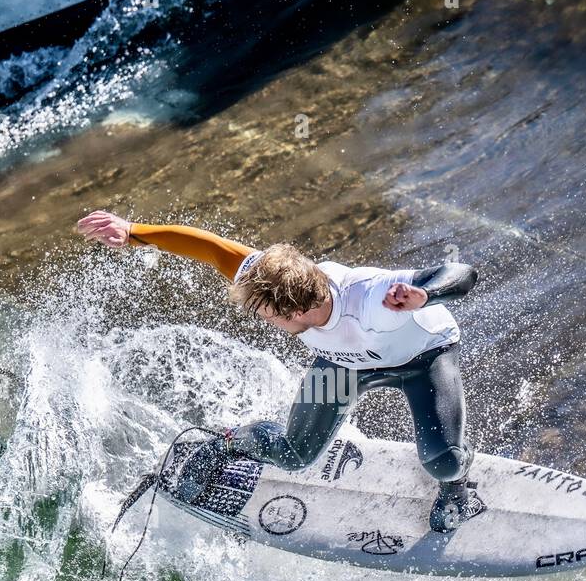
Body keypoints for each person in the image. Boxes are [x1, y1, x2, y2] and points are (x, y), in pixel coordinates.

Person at [76, 210, 479, 534]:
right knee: (293, 454)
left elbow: (462, 273)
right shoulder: (272, 277)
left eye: (268, 316)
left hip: (423, 358)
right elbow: (211, 249)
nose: (265, 321)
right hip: (343, 365)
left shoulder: (371, 297)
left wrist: (426, 295)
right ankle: (225, 444)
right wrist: (133, 231)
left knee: (444, 461)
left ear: (298, 310)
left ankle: (456, 489)